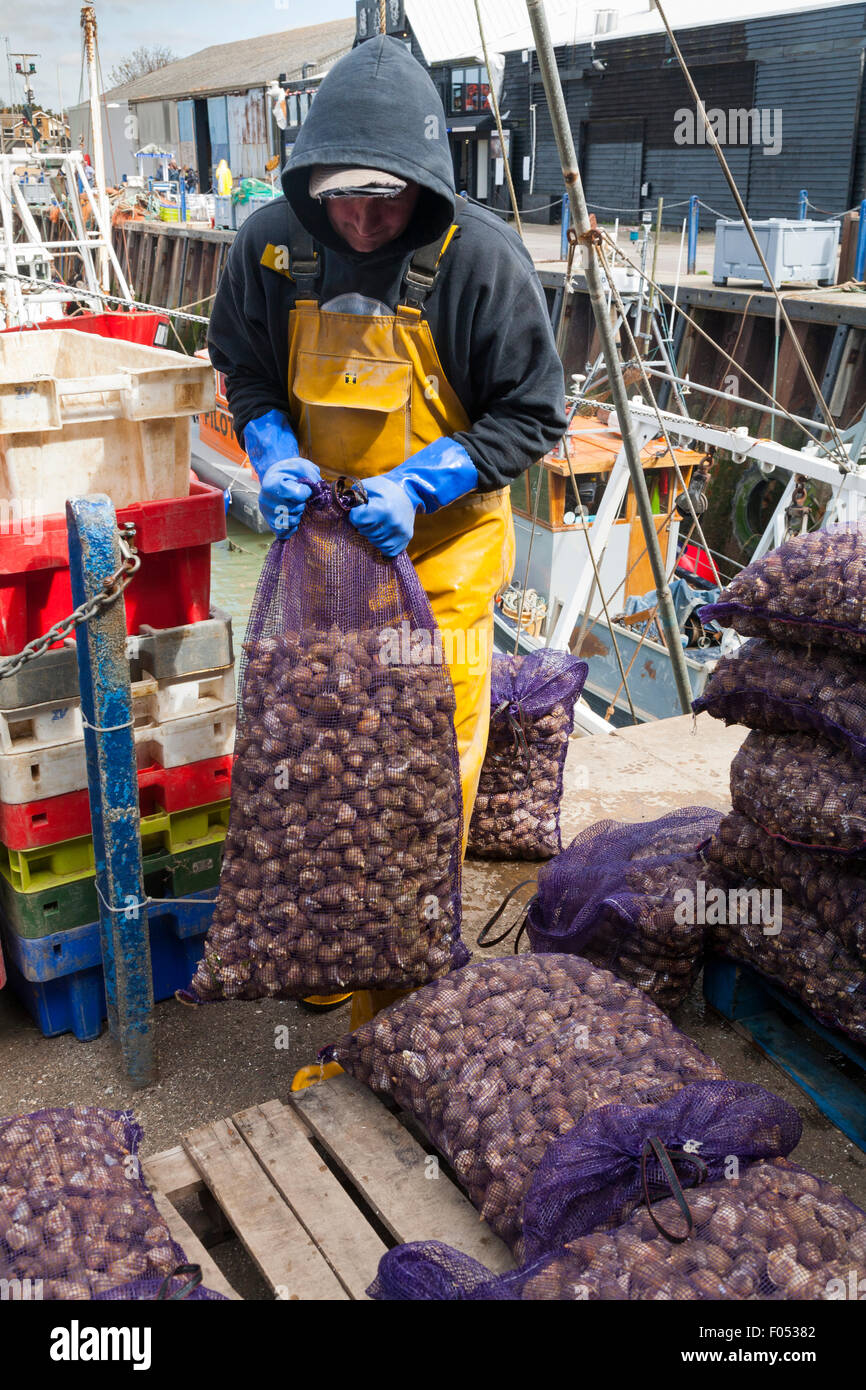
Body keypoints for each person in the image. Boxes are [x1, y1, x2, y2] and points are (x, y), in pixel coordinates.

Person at [208, 35, 565, 1024]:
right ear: (307, 182)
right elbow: (242, 366)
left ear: (426, 187)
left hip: (437, 567)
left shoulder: (480, 262)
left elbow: (533, 413)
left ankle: (399, 981)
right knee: (324, 758)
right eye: (339, 197)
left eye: (385, 198)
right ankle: (330, 947)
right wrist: (272, 445)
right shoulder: (269, 244)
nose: (361, 218)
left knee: (415, 776)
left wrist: (421, 481)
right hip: (323, 567)